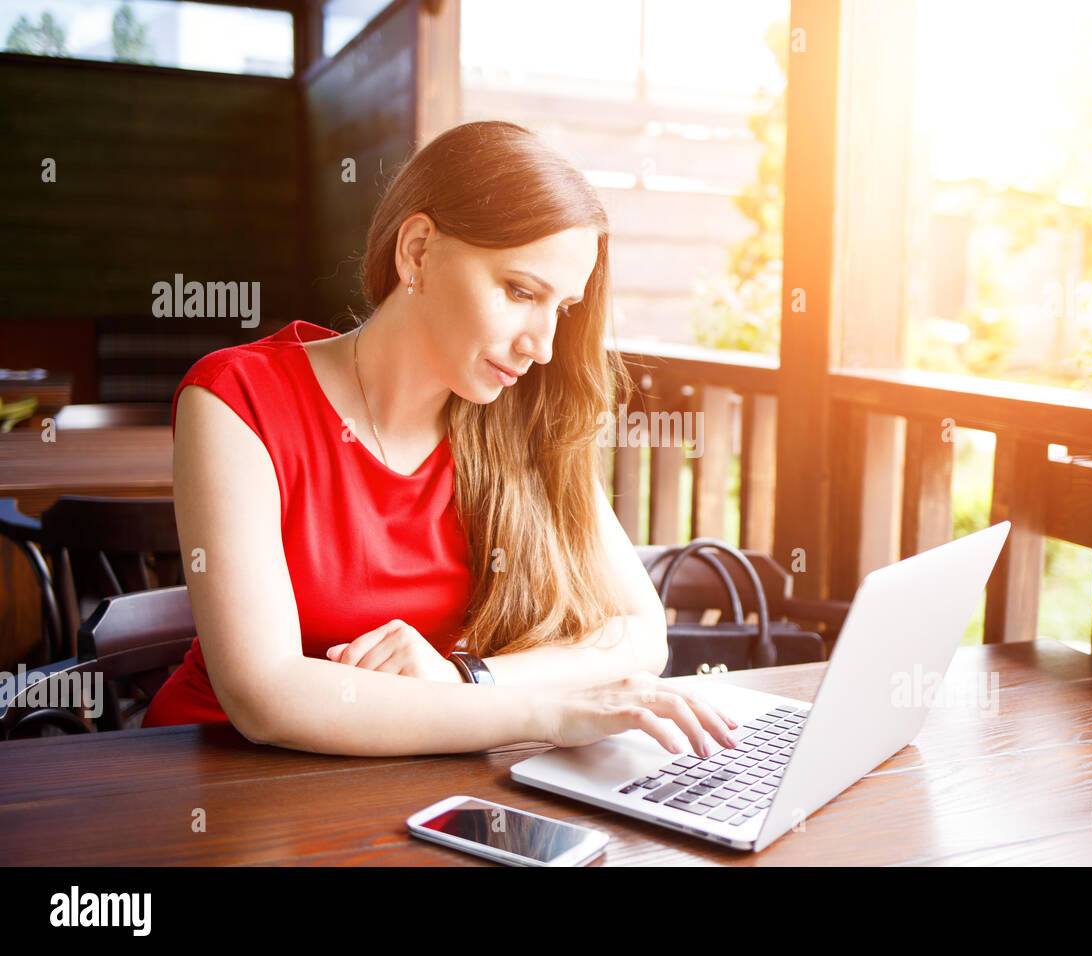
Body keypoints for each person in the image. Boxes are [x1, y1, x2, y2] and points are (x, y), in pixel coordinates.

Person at [141, 120, 739, 759]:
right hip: (220, 791)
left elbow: (641, 633)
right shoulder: (235, 399)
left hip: (410, 787)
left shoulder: (517, 418)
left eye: (562, 309)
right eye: (518, 291)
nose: (541, 346)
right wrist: (542, 712)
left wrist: (466, 676)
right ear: (418, 252)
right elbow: (268, 695)